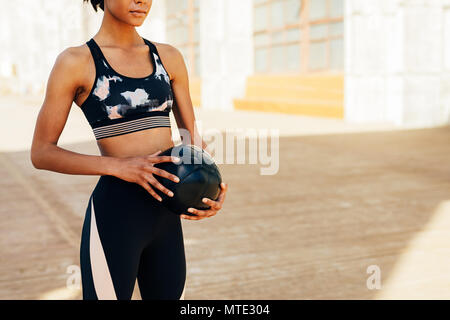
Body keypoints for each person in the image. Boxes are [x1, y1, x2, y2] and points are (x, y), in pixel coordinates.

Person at [30, 0, 228, 300]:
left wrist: (209, 188)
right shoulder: (76, 62)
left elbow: (192, 144)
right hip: (116, 216)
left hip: (166, 217)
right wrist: (117, 166)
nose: (142, 0)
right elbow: (41, 152)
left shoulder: (169, 58)